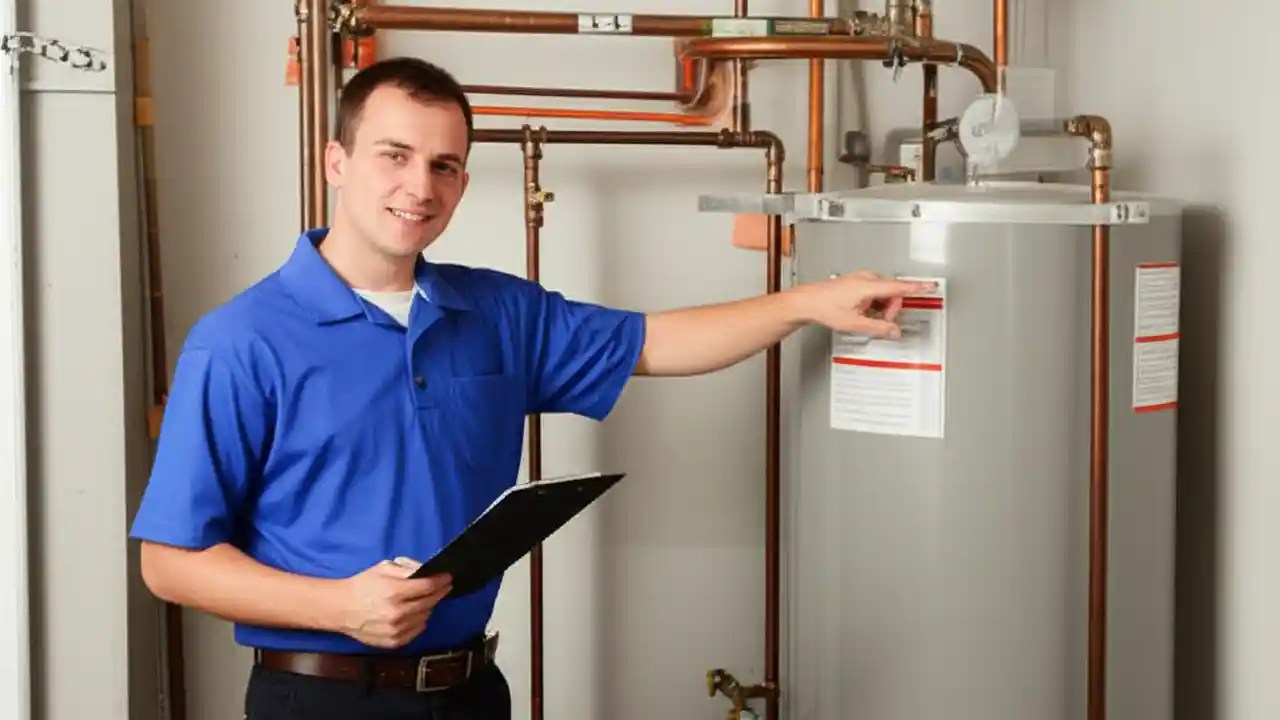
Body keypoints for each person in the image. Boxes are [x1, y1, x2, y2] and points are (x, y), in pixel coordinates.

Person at [129, 56, 934, 720]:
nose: (421, 186)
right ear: (336, 162)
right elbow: (170, 562)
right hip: (321, 699)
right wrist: (340, 607)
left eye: (445, 166)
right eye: (394, 155)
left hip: (474, 693)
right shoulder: (242, 341)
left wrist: (807, 303)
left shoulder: (497, 312)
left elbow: (657, 342)